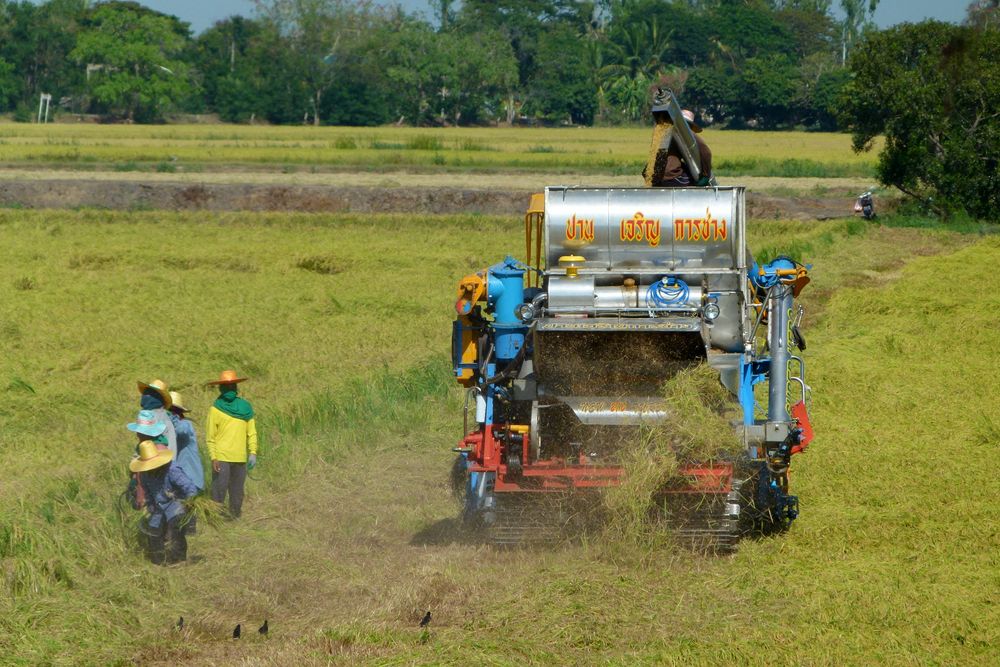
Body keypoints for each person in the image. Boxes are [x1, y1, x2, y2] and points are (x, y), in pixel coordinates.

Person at [129, 430, 199, 565]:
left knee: (175, 527)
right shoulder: (144, 475)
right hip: (158, 506)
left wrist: (189, 505)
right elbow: (148, 493)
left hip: (176, 502)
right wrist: (148, 505)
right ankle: (158, 560)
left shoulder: (172, 470)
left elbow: (189, 488)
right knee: (153, 530)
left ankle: (179, 559)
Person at [206, 369, 258, 519]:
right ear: (221, 388)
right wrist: (213, 457)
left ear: (236, 387)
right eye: (226, 386)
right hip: (222, 457)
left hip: (240, 458)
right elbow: (210, 436)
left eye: (231, 386)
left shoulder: (246, 408)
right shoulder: (215, 409)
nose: (229, 390)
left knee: (237, 492)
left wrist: (253, 452)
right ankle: (215, 520)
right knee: (219, 489)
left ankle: (234, 518)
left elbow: (252, 432)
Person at [169, 391, 205, 532]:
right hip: (177, 476)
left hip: (190, 475)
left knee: (187, 510)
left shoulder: (186, 424)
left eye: (171, 411)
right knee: (178, 511)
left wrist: (171, 418)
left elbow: (180, 431)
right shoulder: (168, 429)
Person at [656, 109, 713, 188]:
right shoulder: (686, 132)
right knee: (696, 179)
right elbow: (707, 152)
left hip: (655, 176)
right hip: (671, 176)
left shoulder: (666, 132)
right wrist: (706, 175)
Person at [137, 379, 177, 455]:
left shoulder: (149, 416)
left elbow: (143, 438)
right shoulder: (165, 415)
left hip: (159, 462)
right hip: (169, 461)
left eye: (150, 393)